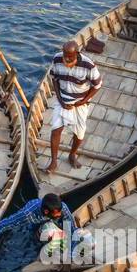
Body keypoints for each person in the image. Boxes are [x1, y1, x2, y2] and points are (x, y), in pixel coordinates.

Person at [44, 39, 102, 174]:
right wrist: (60, 100)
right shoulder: (57, 59)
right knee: (56, 129)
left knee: (79, 132)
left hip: (80, 102)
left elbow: (97, 85)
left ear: (77, 53)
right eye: (65, 55)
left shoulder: (89, 65)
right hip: (63, 99)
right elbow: (55, 79)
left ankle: (72, 154)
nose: (66, 59)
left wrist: (83, 101)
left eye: (70, 57)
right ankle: (53, 161)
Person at [0, 193, 75, 252]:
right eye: (57, 213)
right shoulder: (27, 214)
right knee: (43, 232)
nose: (60, 214)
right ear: (47, 211)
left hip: (50, 221)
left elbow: (71, 224)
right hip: (38, 223)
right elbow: (4, 224)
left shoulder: (62, 208)